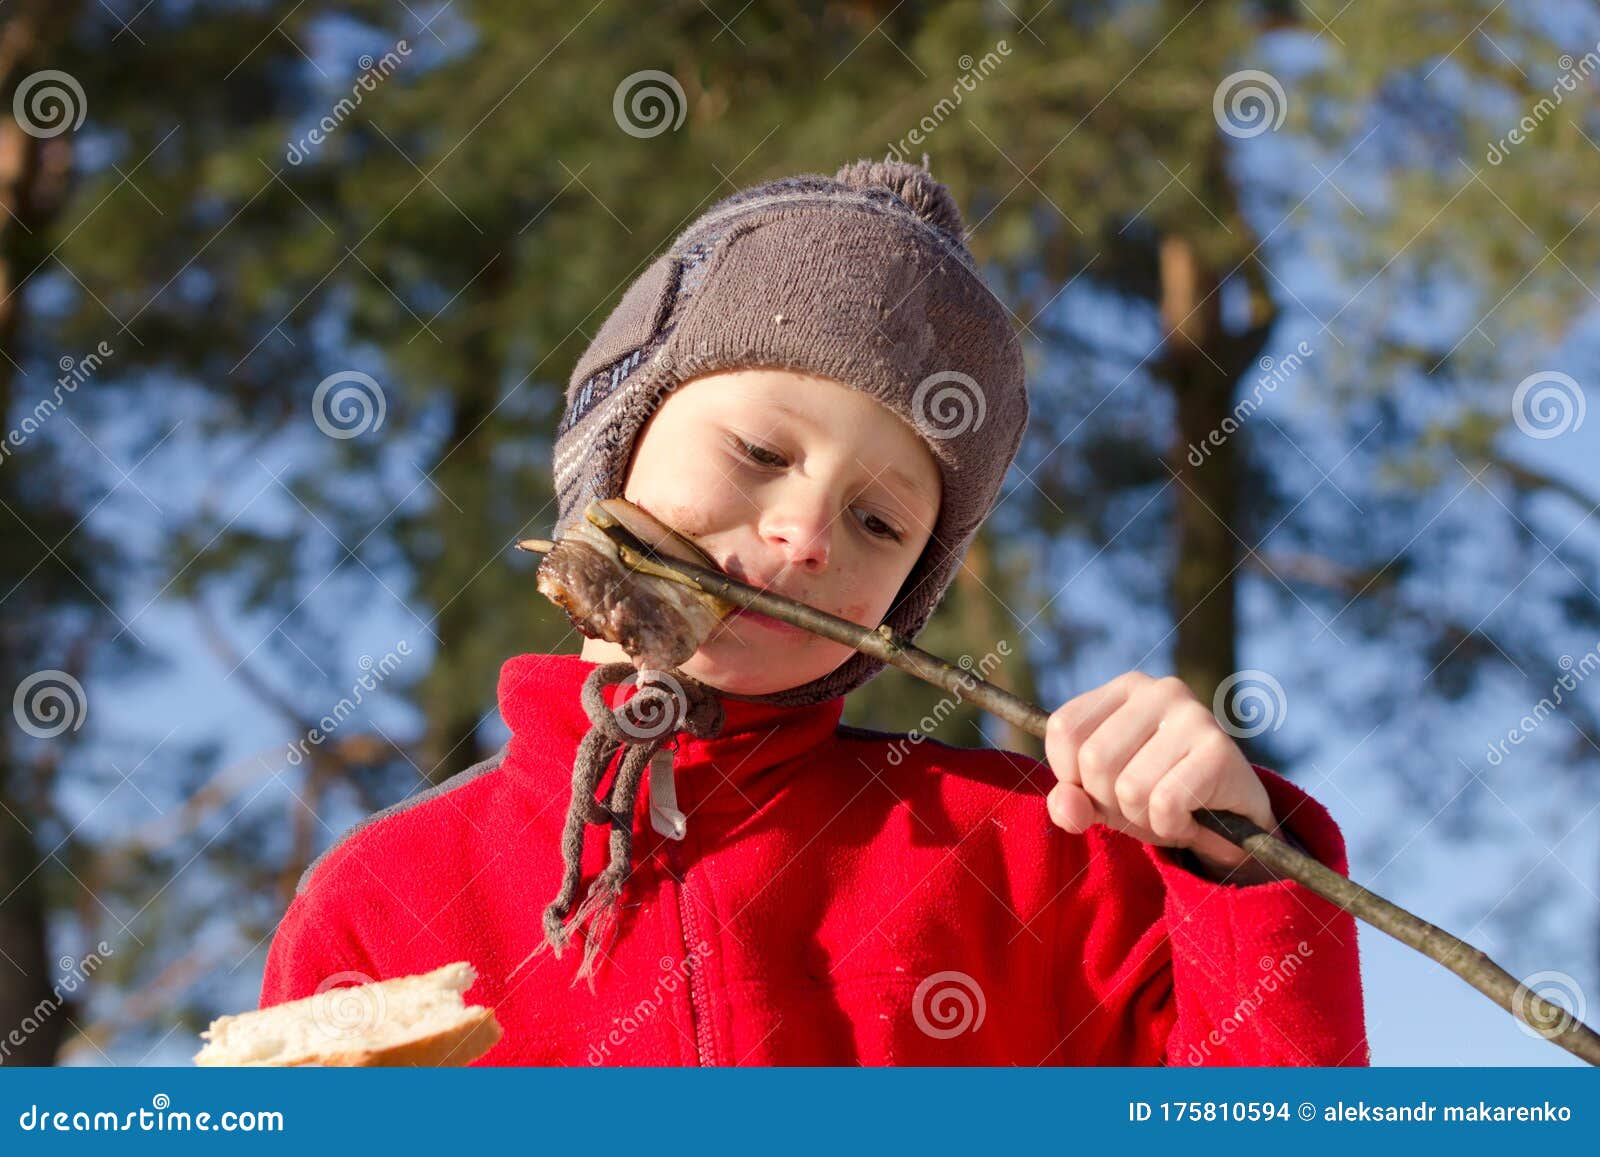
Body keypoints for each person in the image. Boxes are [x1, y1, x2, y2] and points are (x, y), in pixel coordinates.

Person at [259, 157, 1370, 1066]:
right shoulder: (385, 897)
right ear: (614, 444)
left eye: (881, 524)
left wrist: (1239, 878)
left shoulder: (1050, 861)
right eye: (757, 451)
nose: (804, 534)